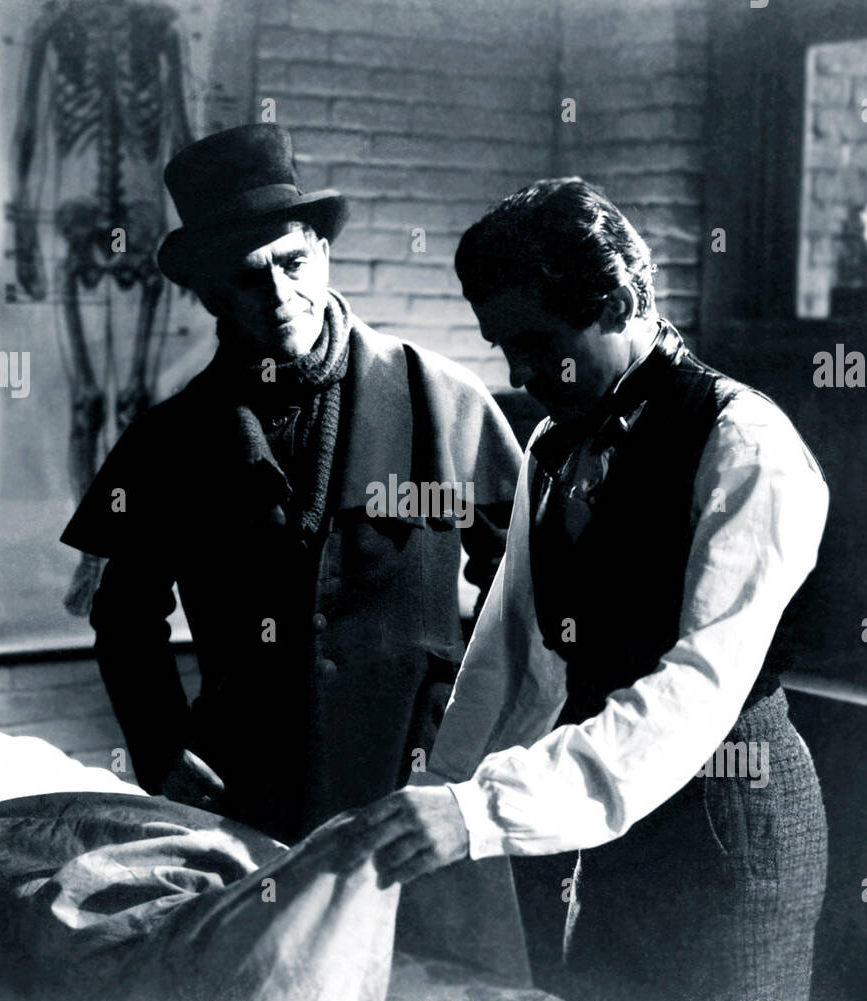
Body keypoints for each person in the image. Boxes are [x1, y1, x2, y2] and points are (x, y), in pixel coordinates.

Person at [347, 178, 831, 1001]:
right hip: (615, 808)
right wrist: (439, 792)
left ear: (614, 299)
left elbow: (691, 694)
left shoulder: (745, 446)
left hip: (730, 815)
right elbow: (507, 651)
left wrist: (481, 813)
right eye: (503, 348)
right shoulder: (551, 445)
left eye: (539, 342)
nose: (522, 372)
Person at [61, 125, 522, 845]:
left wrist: (486, 732)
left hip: (420, 782)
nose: (280, 294)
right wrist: (159, 742)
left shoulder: (442, 399)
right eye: (250, 275)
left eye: (295, 262)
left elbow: (522, 583)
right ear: (215, 295)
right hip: (252, 788)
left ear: (324, 252)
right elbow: (123, 615)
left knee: (432, 960)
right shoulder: (170, 442)